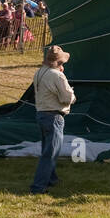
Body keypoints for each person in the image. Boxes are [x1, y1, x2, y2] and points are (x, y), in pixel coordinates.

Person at [30, 45, 76, 194]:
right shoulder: (58, 76)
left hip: (41, 114)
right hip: (54, 116)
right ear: (60, 62)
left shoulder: (39, 72)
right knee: (50, 153)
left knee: (47, 149)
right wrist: (72, 93)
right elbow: (66, 98)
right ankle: (38, 187)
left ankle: (52, 179)